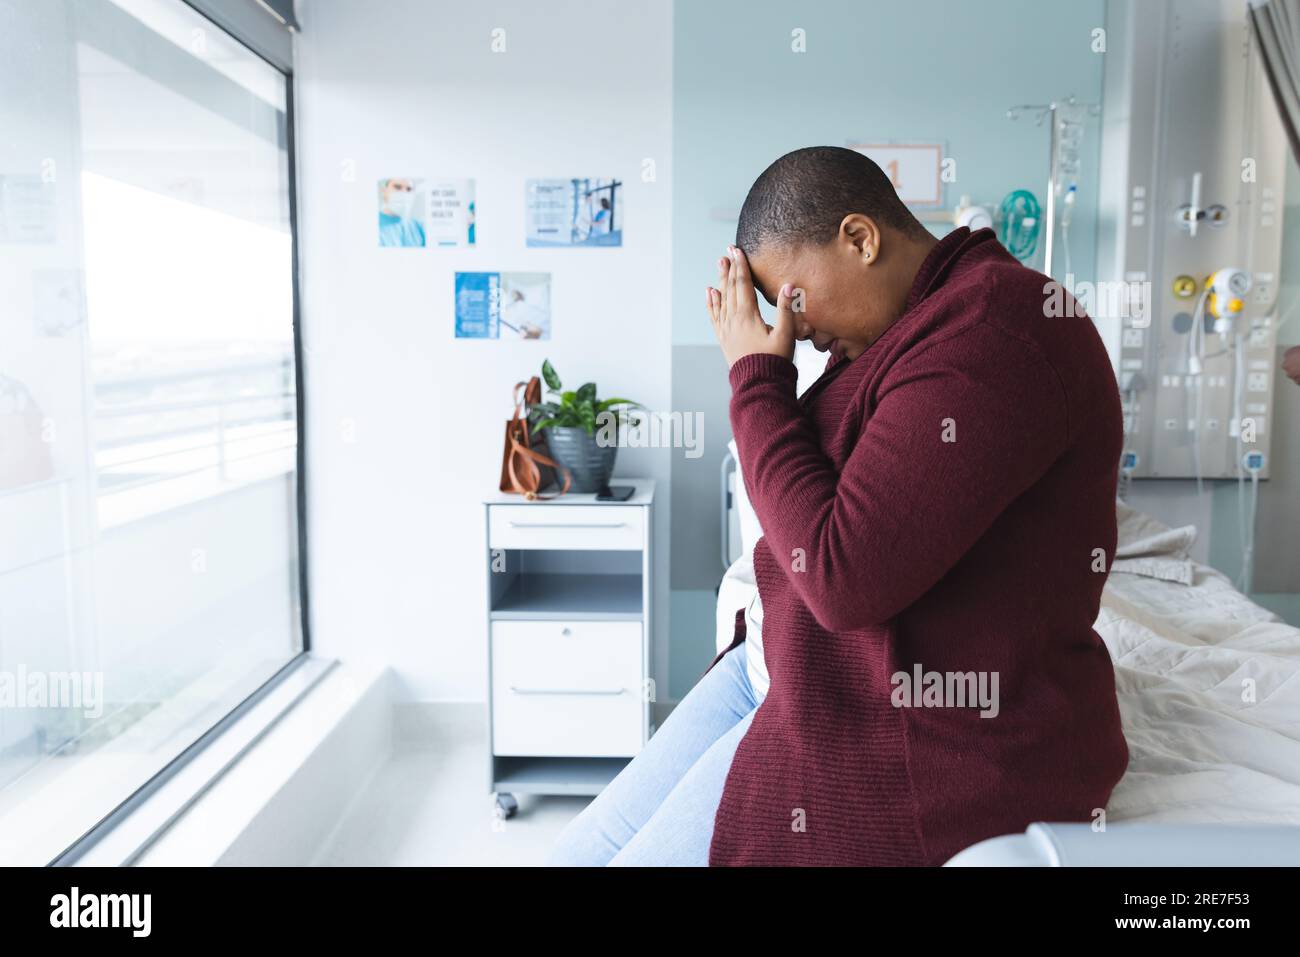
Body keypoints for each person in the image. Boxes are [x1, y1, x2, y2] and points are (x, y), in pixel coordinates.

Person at [550, 146, 1129, 866]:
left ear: (860, 239)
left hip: (881, 714)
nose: (788, 328)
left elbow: (841, 574)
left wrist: (755, 378)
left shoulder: (999, 327)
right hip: (781, 668)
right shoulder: (901, 330)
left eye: (791, 298)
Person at [378, 178, 425, 247]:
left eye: (408, 189)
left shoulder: (419, 227)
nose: (404, 193)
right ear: (384, 191)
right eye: (397, 187)